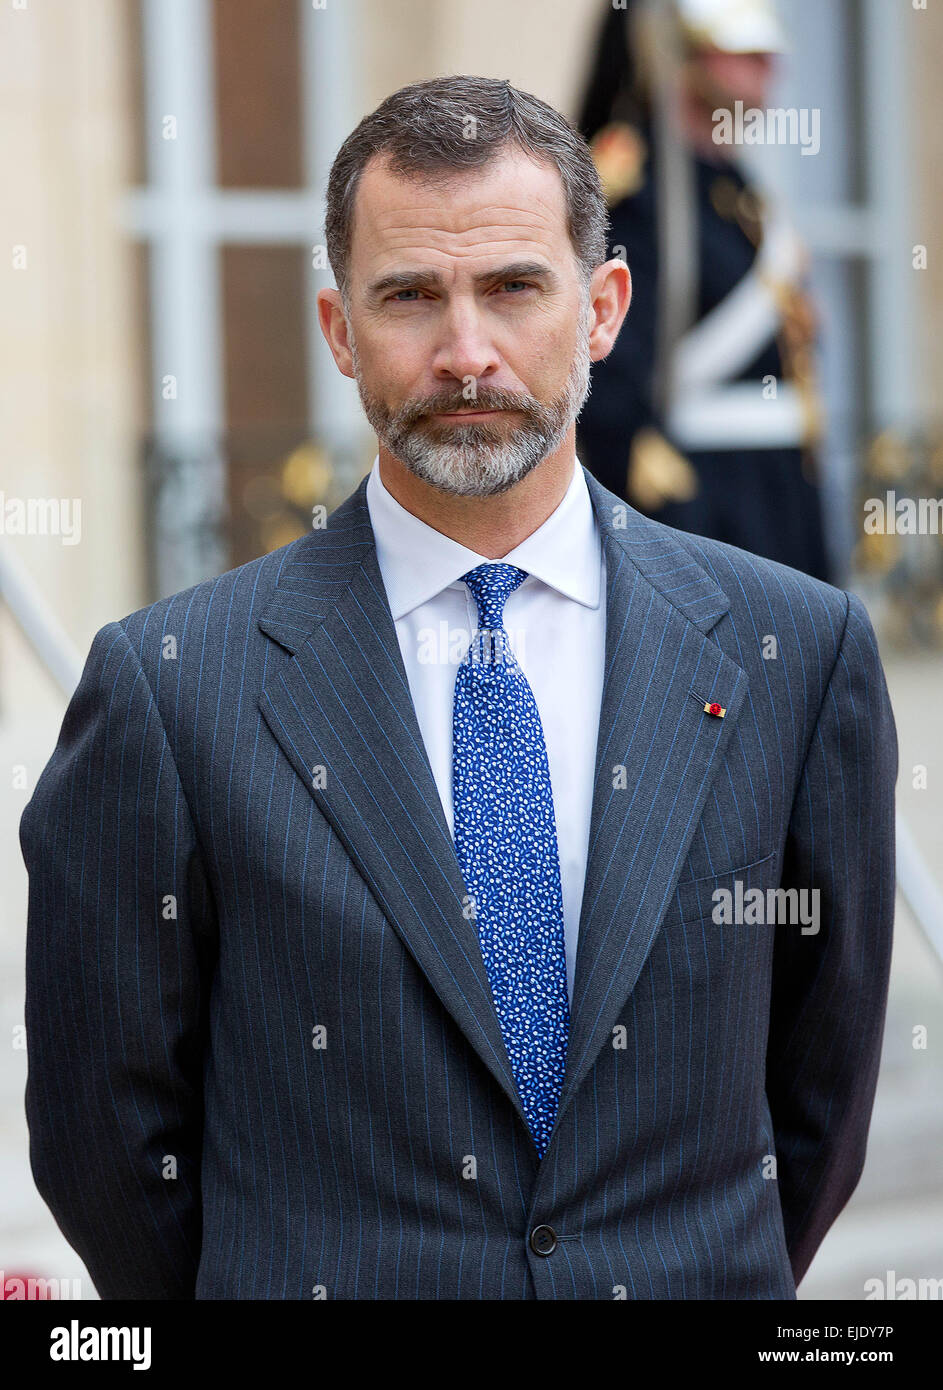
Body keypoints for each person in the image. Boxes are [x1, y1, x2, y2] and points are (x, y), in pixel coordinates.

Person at [21, 74, 896, 1301]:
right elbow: (105, 1135)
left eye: (514, 287)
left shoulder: (794, 655)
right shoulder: (170, 691)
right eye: (409, 296)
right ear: (337, 328)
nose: (466, 351)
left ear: (603, 309)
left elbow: (817, 1100)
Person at [576, 0, 833, 581]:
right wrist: (648, 483)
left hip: (780, 491)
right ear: (689, 57)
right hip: (704, 494)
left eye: (768, 56)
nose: (767, 69)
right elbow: (607, 358)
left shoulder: (737, 188)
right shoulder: (634, 181)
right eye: (744, 55)